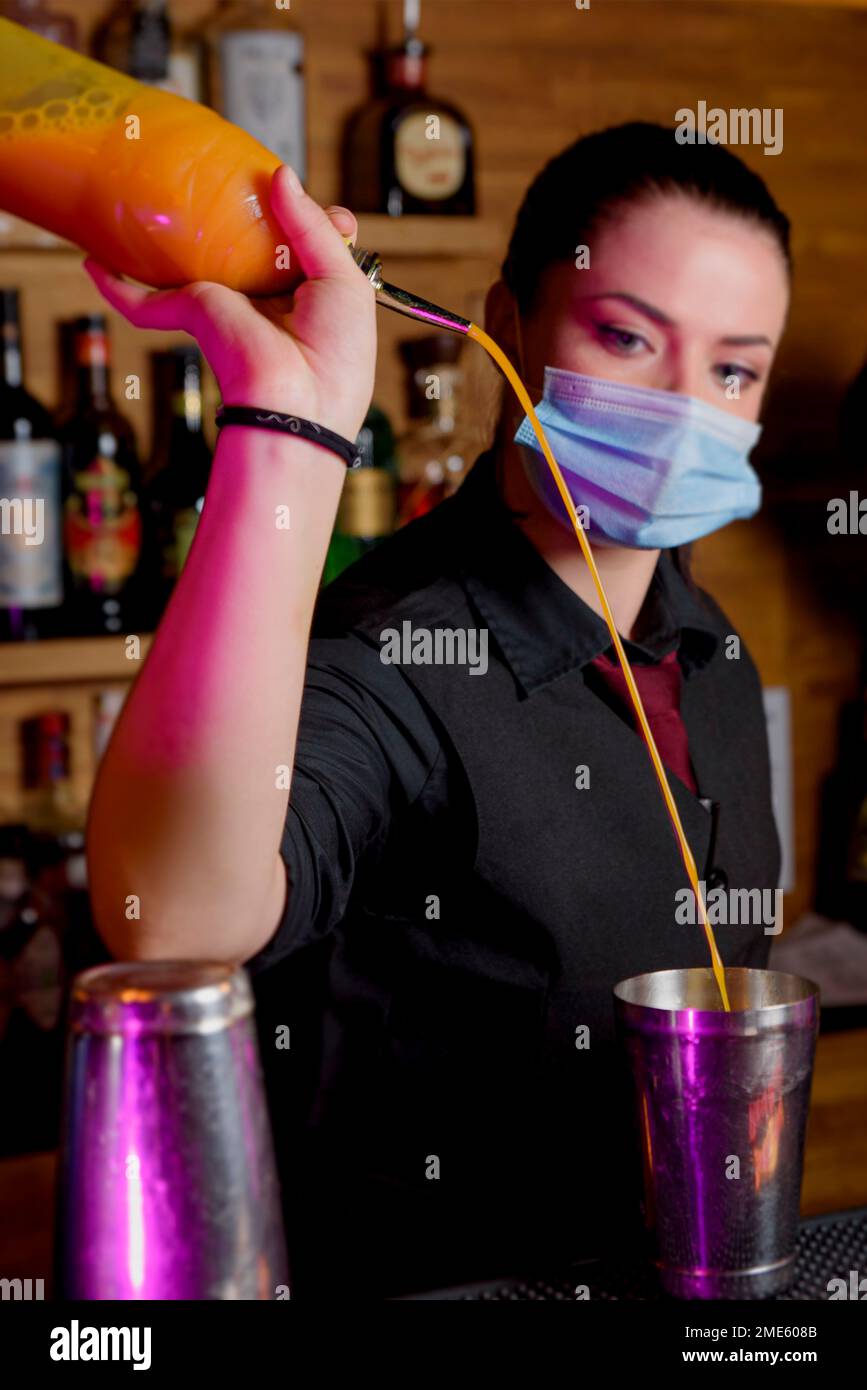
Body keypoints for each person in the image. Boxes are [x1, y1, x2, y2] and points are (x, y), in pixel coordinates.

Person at [86, 123, 790, 1298]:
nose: (684, 410)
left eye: (732, 370)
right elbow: (174, 920)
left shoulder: (708, 650)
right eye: (625, 335)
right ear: (505, 328)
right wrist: (294, 433)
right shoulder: (393, 648)